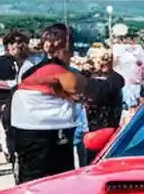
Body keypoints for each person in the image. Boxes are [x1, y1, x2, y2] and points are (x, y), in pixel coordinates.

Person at [9, 24, 86, 184]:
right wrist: (84, 74)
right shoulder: (51, 68)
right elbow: (75, 86)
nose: (72, 53)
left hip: (31, 130)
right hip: (46, 132)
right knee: (55, 180)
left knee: (36, 179)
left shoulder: (34, 65)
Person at [0, 29, 41, 161]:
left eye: (20, 42)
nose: (16, 46)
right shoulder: (2, 61)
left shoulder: (35, 61)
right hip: (6, 100)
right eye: (12, 43)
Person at [83, 49, 124, 133]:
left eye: (106, 60)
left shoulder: (116, 78)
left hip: (108, 117)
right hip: (93, 116)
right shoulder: (90, 76)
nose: (102, 64)